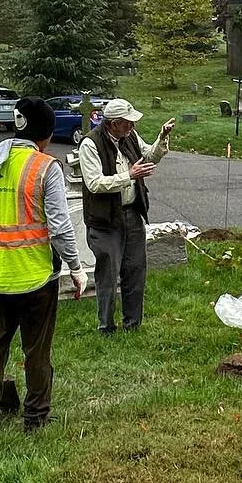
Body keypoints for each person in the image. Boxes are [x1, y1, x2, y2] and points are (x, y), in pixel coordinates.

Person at [0, 96, 87, 434]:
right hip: (35, 276)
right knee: (36, 351)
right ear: (45, 134)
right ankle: (35, 418)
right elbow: (60, 227)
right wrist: (76, 268)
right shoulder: (44, 167)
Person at [77, 97, 174, 335]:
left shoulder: (129, 136)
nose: (132, 126)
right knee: (108, 274)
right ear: (113, 123)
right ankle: (106, 327)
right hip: (105, 220)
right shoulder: (90, 144)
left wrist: (162, 137)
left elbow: (148, 156)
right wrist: (129, 175)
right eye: (128, 123)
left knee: (135, 269)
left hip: (132, 213)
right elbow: (94, 184)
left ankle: (133, 324)